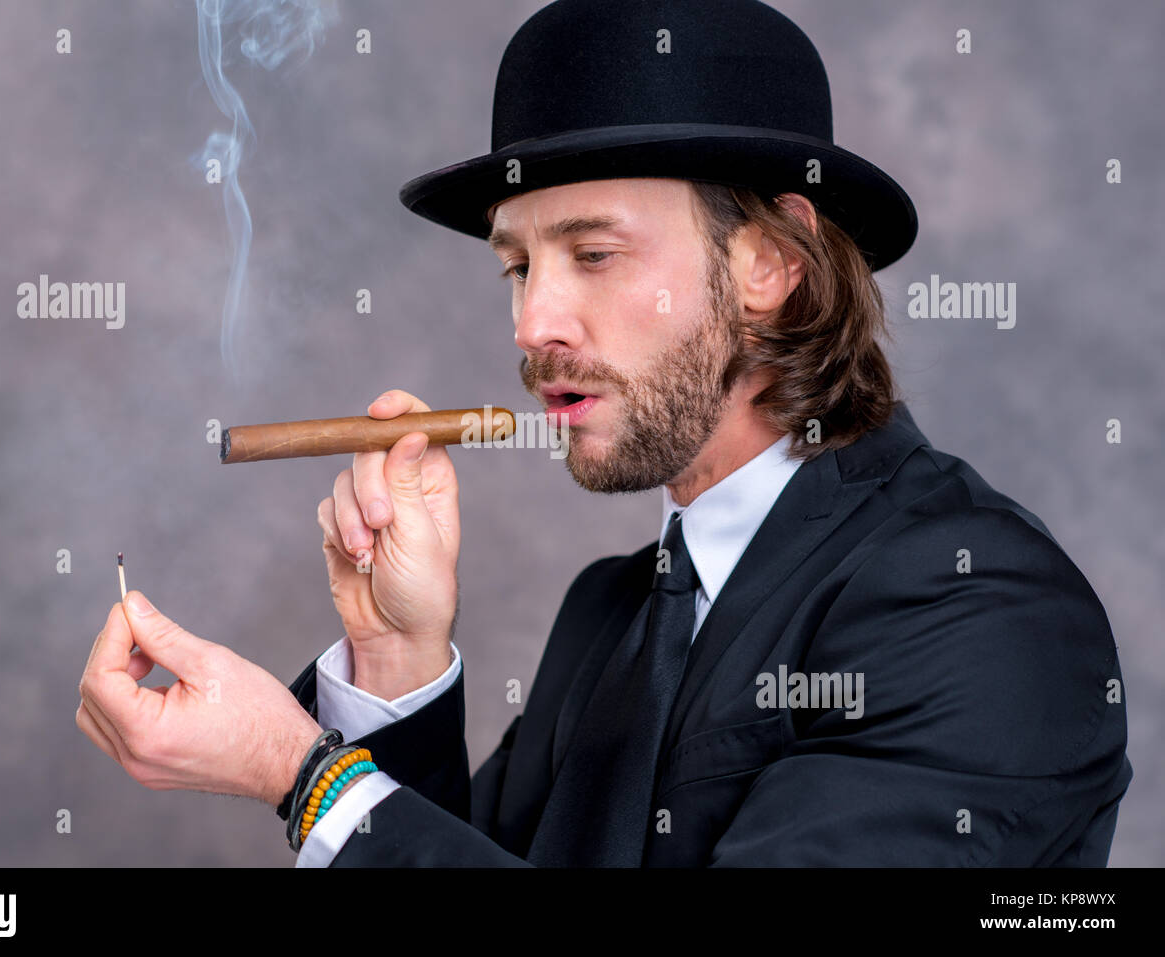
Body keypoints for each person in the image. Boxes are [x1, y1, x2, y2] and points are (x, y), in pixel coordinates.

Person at [76, 0, 1132, 866]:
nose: (532, 322)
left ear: (771, 265)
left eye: (592, 254)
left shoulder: (978, 601)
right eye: (517, 266)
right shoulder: (611, 613)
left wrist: (301, 774)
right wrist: (396, 655)